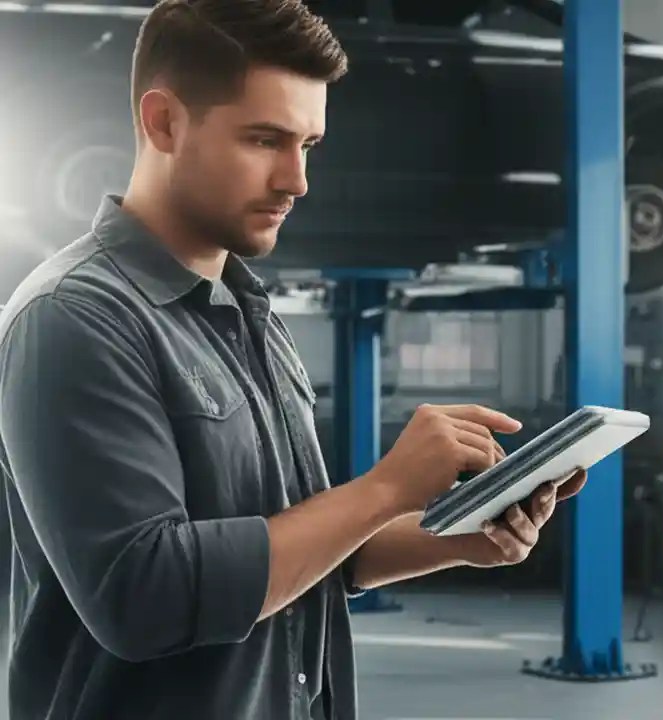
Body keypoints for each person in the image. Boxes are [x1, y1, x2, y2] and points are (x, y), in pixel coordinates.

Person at [0, 1, 587, 718]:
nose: (296, 180)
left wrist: (462, 539)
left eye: (307, 145)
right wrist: (383, 490)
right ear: (164, 123)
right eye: (264, 139)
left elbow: (312, 552)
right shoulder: (72, 318)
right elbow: (144, 600)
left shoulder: (251, 315)